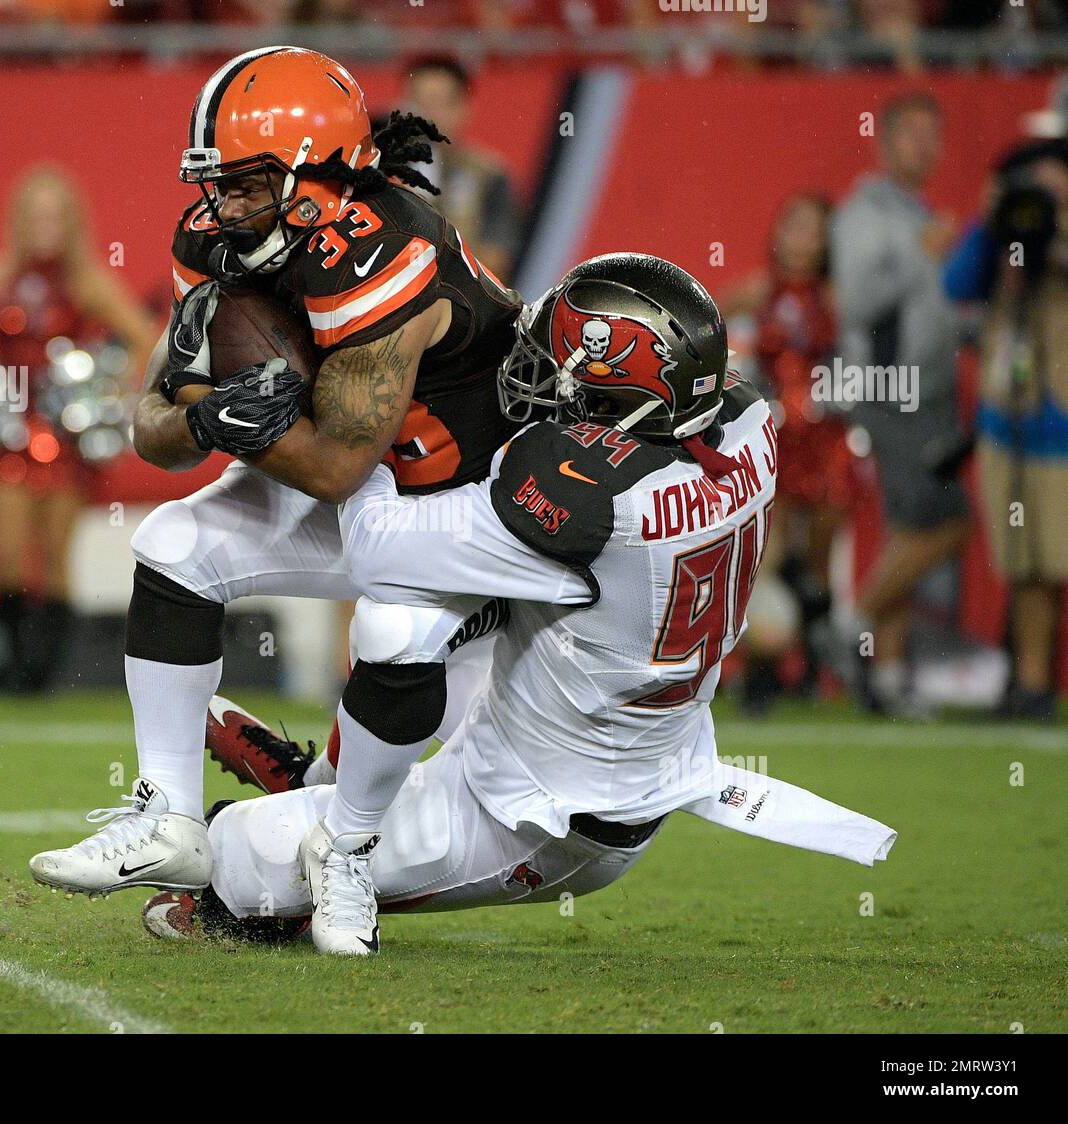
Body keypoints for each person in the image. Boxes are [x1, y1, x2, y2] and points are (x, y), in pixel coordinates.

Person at [135, 254, 896, 947]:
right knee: (423, 624)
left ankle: (312, 836)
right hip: (575, 706)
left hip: (541, 817)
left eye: (561, 370)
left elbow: (376, 546)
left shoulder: (590, 504)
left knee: (235, 862)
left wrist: (355, 439)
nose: (538, 377)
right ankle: (324, 785)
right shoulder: (744, 419)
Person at [28, 47, 523, 934]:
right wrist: (213, 418)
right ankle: (170, 817)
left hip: (466, 514)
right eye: (216, 182)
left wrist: (230, 418)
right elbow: (154, 425)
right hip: (369, 489)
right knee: (173, 546)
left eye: (248, 183)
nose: (224, 206)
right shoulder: (216, 240)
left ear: (318, 176)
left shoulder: (385, 244)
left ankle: (316, 827)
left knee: (462, 783)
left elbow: (334, 462)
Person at [0, 165, 157, 691]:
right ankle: (17, 671)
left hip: (65, 445)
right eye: (35, 215)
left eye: (55, 215)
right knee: (7, 556)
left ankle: (44, 678)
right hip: (8, 439)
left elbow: (144, 338)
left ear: (71, 222)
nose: (45, 226)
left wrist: (109, 394)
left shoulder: (88, 283)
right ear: (19, 221)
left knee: (57, 558)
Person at [830, 92, 968, 717]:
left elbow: (930, 310)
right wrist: (924, 254)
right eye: (912, 134)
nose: (925, 146)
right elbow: (857, 300)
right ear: (883, 142)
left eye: (933, 135)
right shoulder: (866, 213)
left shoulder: (916, 212)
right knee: (943, 522)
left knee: (905, 531)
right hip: (892, 390)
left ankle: (885, 680)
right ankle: (846, 628)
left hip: (927, 392)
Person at [946, 139, 1068, 720]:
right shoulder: (1005, 235)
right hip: (1007, 423)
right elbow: (956, 285)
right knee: (1026, 565)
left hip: (1062, 422)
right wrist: (988, 222)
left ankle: (1034, 680)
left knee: (1057, 562)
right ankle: (1033, 684)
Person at [724, 193, 850, 710]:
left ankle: (813, 673)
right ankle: (760, 671)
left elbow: (854, 365)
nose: (803, 241)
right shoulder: (756, 292)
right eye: (795, 228)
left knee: (818, 565)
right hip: (770, 442)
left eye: (815, 232)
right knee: (763, 555)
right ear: (777, 233)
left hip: (822, 445)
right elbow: (710, 338)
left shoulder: (836, 300)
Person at [405, 55, 520, 284]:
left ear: (464, 107)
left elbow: (497, 261)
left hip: (465, 304)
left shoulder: (489, 175)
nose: (426, 116)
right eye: (418, 104)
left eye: (438, 103)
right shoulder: (385, 173)